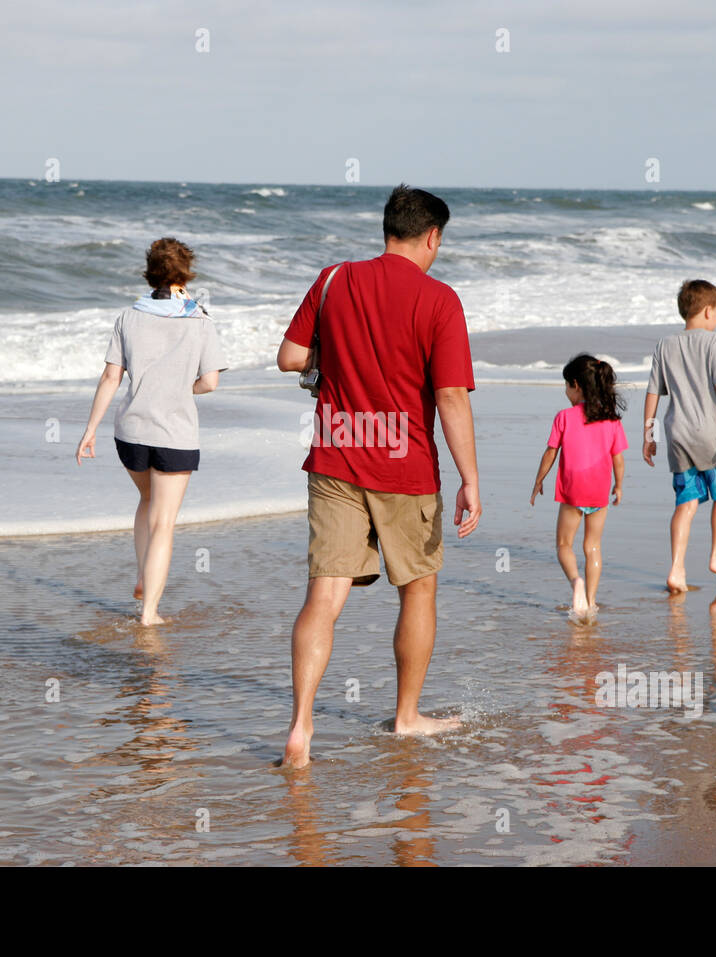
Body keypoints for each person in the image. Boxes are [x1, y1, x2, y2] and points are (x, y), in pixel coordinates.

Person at [275, 184, 481, 769]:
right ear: (432, 236)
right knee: (417, 589)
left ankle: (300, 727)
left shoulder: (333, 279)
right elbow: (450, 397)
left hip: (336, 456)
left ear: (387, 228)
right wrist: (469, 477)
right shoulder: (440, 300)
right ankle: (408, 716)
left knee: (325, 596)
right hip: (405, 465)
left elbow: (290, 357)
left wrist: (330, 359)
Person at [76, 237, 228, 624]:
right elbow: (210, 382)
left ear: (149, 272)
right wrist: (180, 388)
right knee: (164, 521)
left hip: (130, 432)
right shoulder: (199, 318)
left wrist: (89, 430)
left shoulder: (128, 316)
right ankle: (149, 613)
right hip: (174, 435)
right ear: (186, 275)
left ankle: (144, 573)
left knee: (146, 501)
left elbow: (112, 376)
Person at [642, 279, 716, 594]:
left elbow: (653, 392)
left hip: (677, 434)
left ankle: (676, 569)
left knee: (685, 503)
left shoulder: (664, 344)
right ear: (709, 311)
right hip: (711, 434)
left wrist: (648, 434)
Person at [530, 354, 627, 619]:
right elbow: (618, 459)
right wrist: (618, 486)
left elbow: (550, 453)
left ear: (576, 384)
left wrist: (539, 479)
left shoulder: (564, 417)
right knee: (593, 546)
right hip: (599, 489)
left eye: (566, 386)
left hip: (573, 489)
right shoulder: (611, 420)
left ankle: (577, 583)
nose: (565, 392)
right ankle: (591, 602)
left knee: (564, 544)